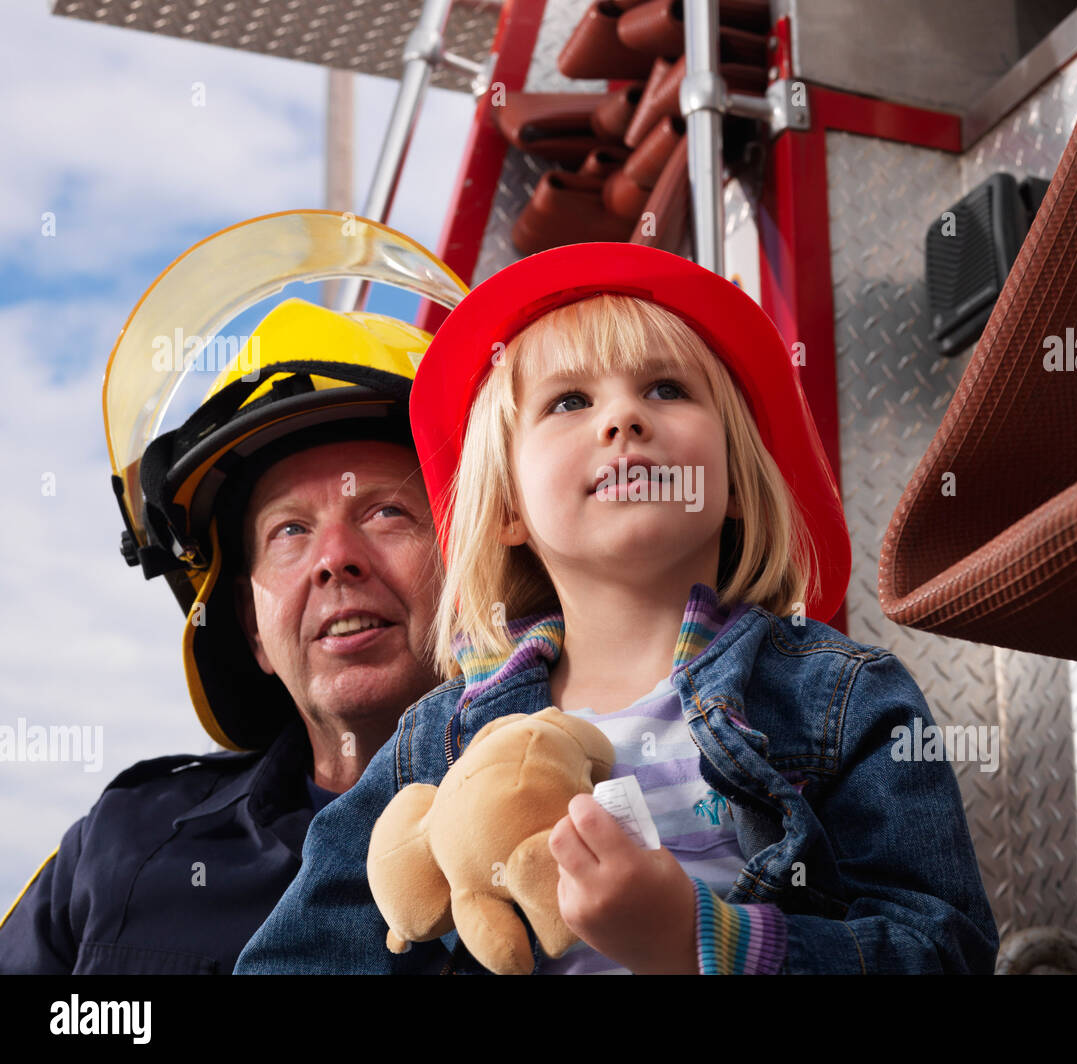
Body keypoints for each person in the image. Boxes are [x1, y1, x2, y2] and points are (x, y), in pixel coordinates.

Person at [236, 241, 999, 974]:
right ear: (506, 508)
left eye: (666, 389)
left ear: (735, 481)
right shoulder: (436, 743)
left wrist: (699, 941)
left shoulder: (840, 700)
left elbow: (943, 950)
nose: (623, 419)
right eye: (569, 401)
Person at [0, 282, 455, 973]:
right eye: (290, 531)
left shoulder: (587, 823)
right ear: (249, 626)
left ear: (475, 563)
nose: (335, 560)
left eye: (386, 513)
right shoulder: (115, 852)